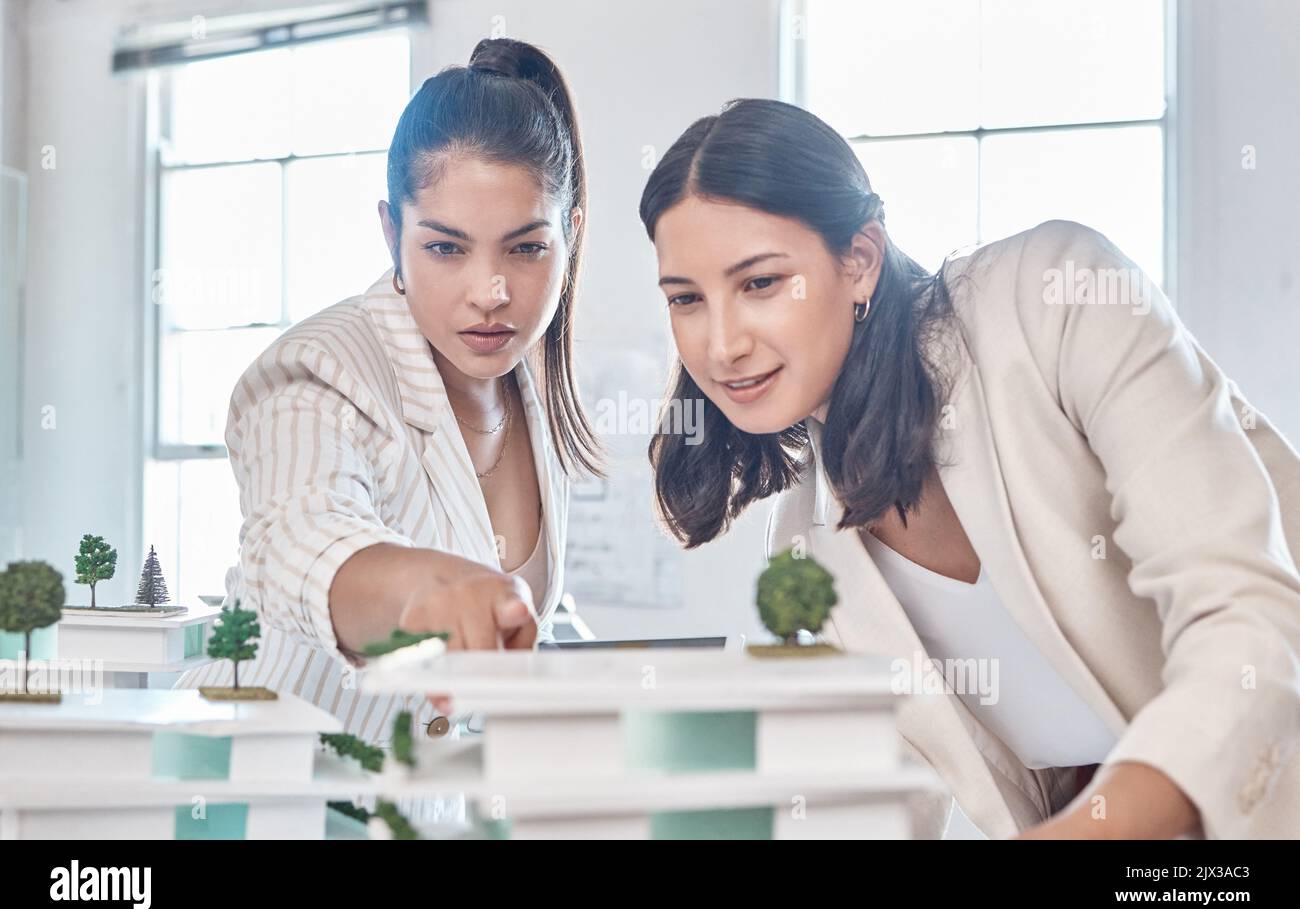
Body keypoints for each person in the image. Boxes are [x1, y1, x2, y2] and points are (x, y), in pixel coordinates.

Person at [638, 98, 1300, 839]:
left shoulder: (1054, 299)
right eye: (687, 299)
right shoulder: (810, 546)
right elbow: (874, 806)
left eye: (760, 283)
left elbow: (1251, 618)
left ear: (859, 259)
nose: (721, 344)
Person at [176, 38, 603, 746]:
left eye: (526, 248)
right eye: (446, 248)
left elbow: (520, 629)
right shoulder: (317, 369)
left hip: (406, 808)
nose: (490, 294)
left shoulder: (530, 388)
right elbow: (297, 537)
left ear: (570, 237)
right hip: (252, 788)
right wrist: (421, 592)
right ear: (391, 234)